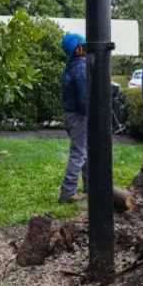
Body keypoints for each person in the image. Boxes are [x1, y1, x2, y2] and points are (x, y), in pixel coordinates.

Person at [59, 32, 89, 204]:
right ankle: (68, 191)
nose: (86, 49)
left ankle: (89, 185)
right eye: (83, 46)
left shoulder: (69, 67)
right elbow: (84, 97)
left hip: (71, 115)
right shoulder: (81, 68)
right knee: (79, 153)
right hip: (79, 116)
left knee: (85, 151)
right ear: (77, 49)